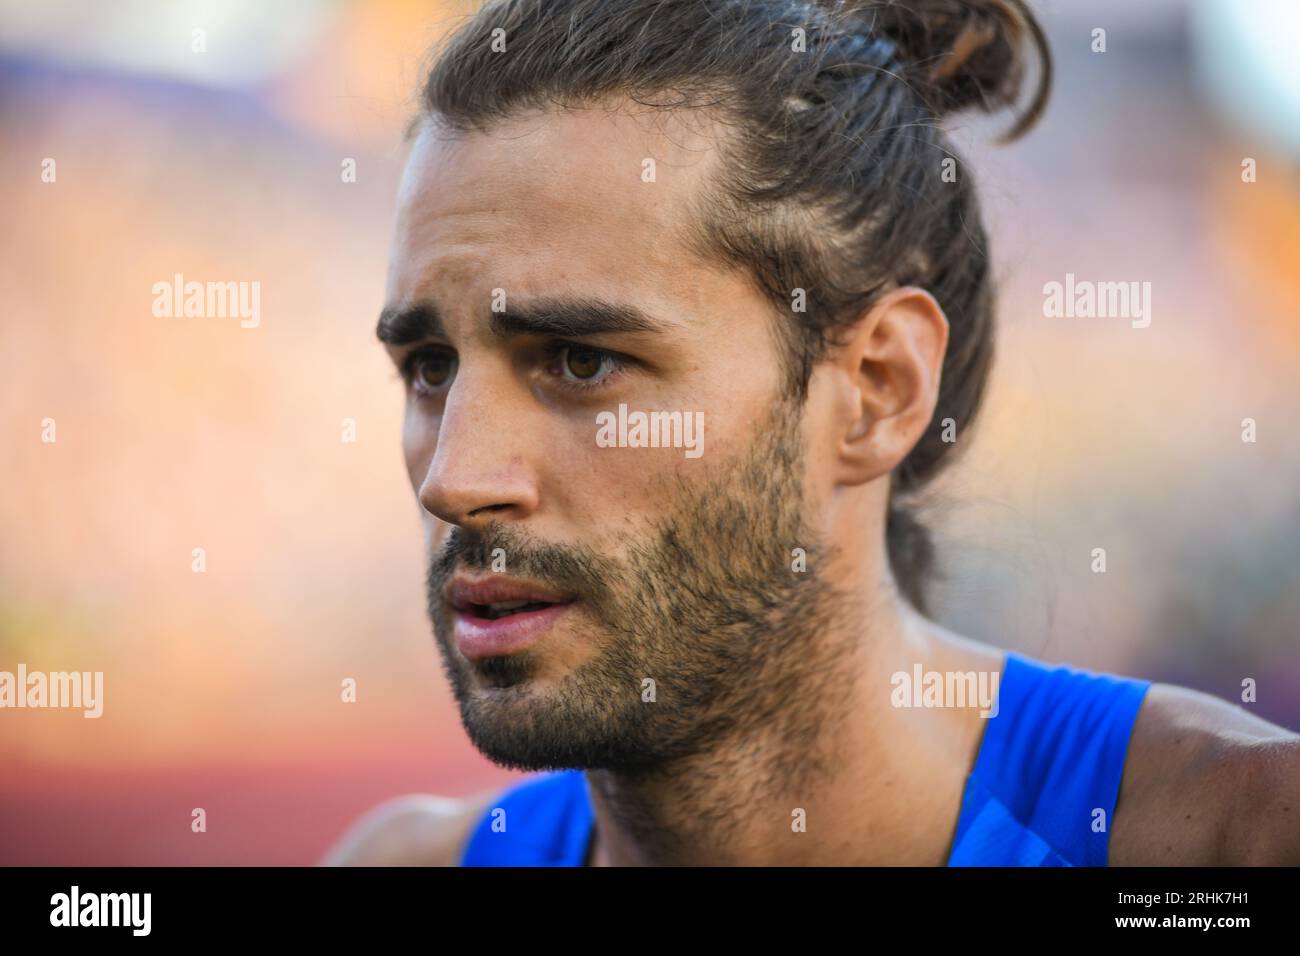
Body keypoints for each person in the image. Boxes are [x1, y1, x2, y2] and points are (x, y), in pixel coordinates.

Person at [324, 0, 1299, 866]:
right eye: (430, 368)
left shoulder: (1233, 834)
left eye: (581, 361)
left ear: (876, 386)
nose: (453, 476)